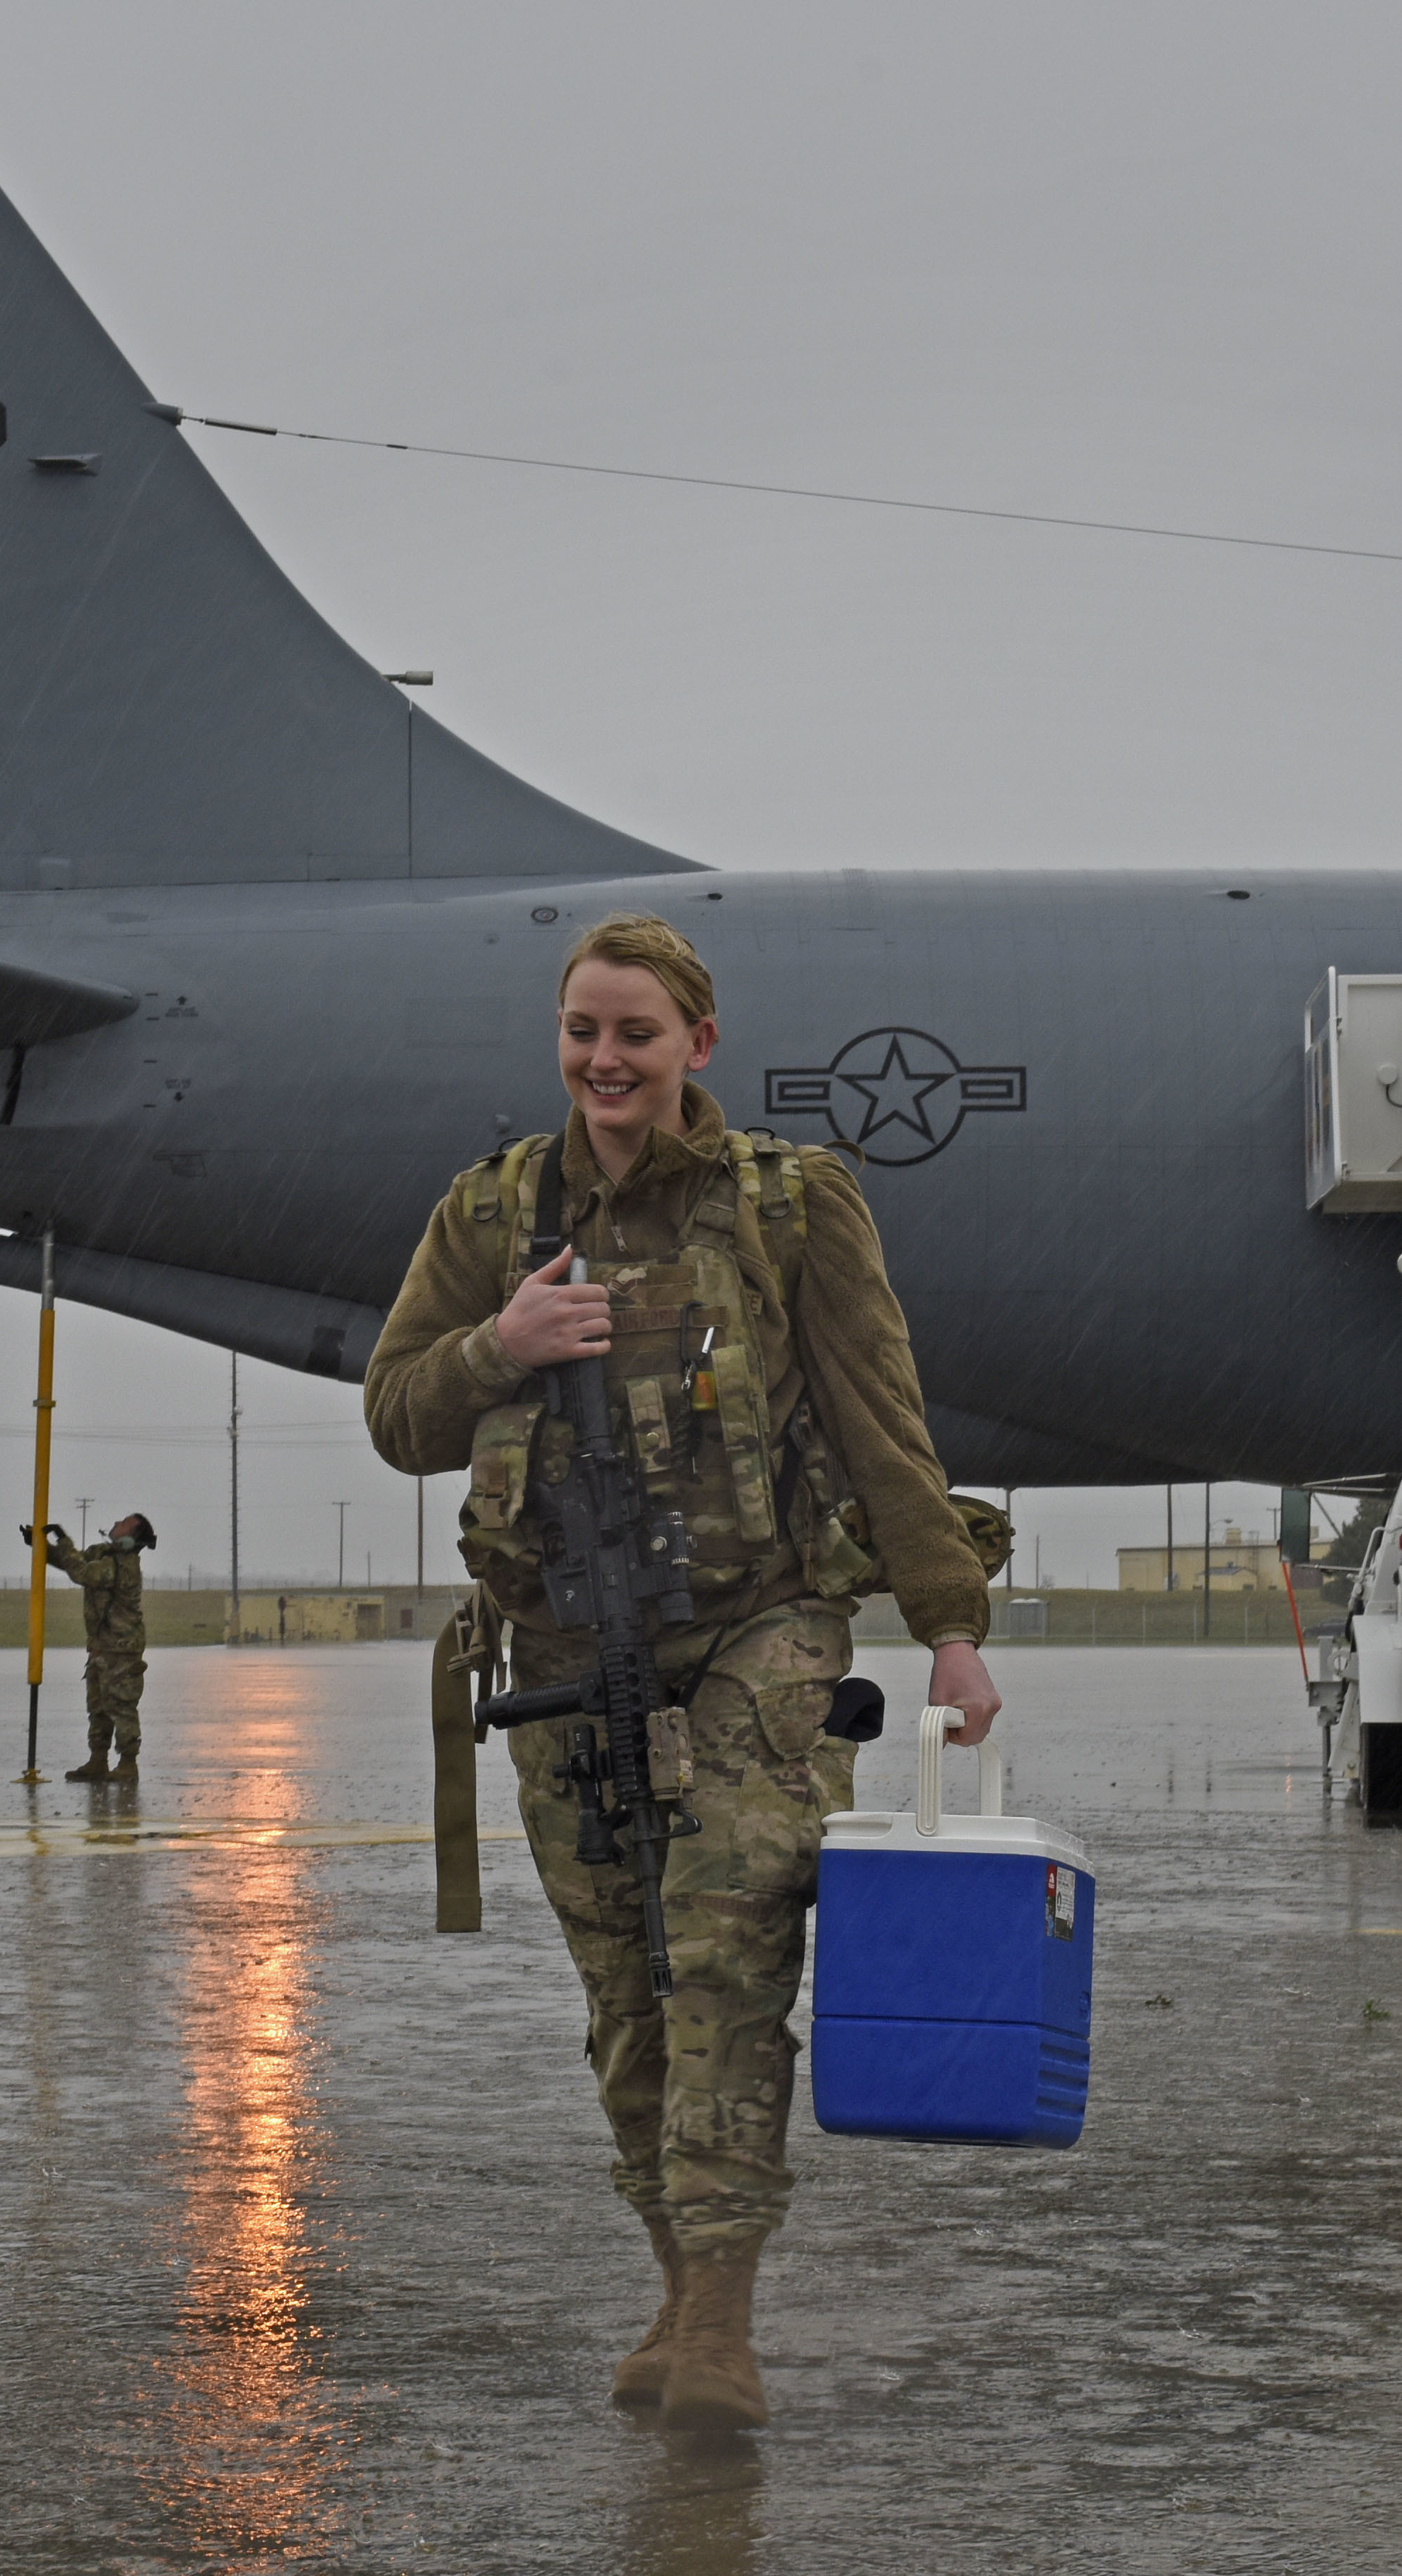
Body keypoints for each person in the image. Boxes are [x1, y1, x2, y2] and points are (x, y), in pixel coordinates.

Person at [363, 910, 999, 2431]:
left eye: (635, 1034)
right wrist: (496, 1347)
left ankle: (719, 2316)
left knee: (721, 1958)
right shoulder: (490, 1211)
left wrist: (950, 1627)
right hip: (567, 1653)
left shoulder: (791, 1206)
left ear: (695, 1046)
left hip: (752, 1634)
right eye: (582, 1031)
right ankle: (674, 2276)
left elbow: (876, 1421)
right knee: (624, 1992)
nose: (604, 1060)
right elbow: (395, 1413)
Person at [29, 1512, 155, 1782]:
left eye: (124, 1524)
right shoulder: (105, 1555)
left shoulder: (123, 1566)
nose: (116, 1524)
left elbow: (82, 1573)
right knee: (98, 1706)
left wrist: (63, 1539)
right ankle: (98, 1760)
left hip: (121, 1649)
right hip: (102, 1647)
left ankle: (127, 1765)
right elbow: (72, 1563)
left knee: (121, 1706)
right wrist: (41, 1548)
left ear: (131, 1538)